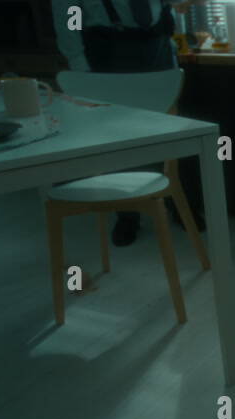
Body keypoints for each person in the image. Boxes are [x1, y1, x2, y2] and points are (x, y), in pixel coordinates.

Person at [51, 0, 178, 246]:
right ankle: (126, 211)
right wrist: (80, 65)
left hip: (157, 46)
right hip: (109, 49)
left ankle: (173, 198)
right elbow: (67, 14)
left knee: (167, 129)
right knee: (119, 136)